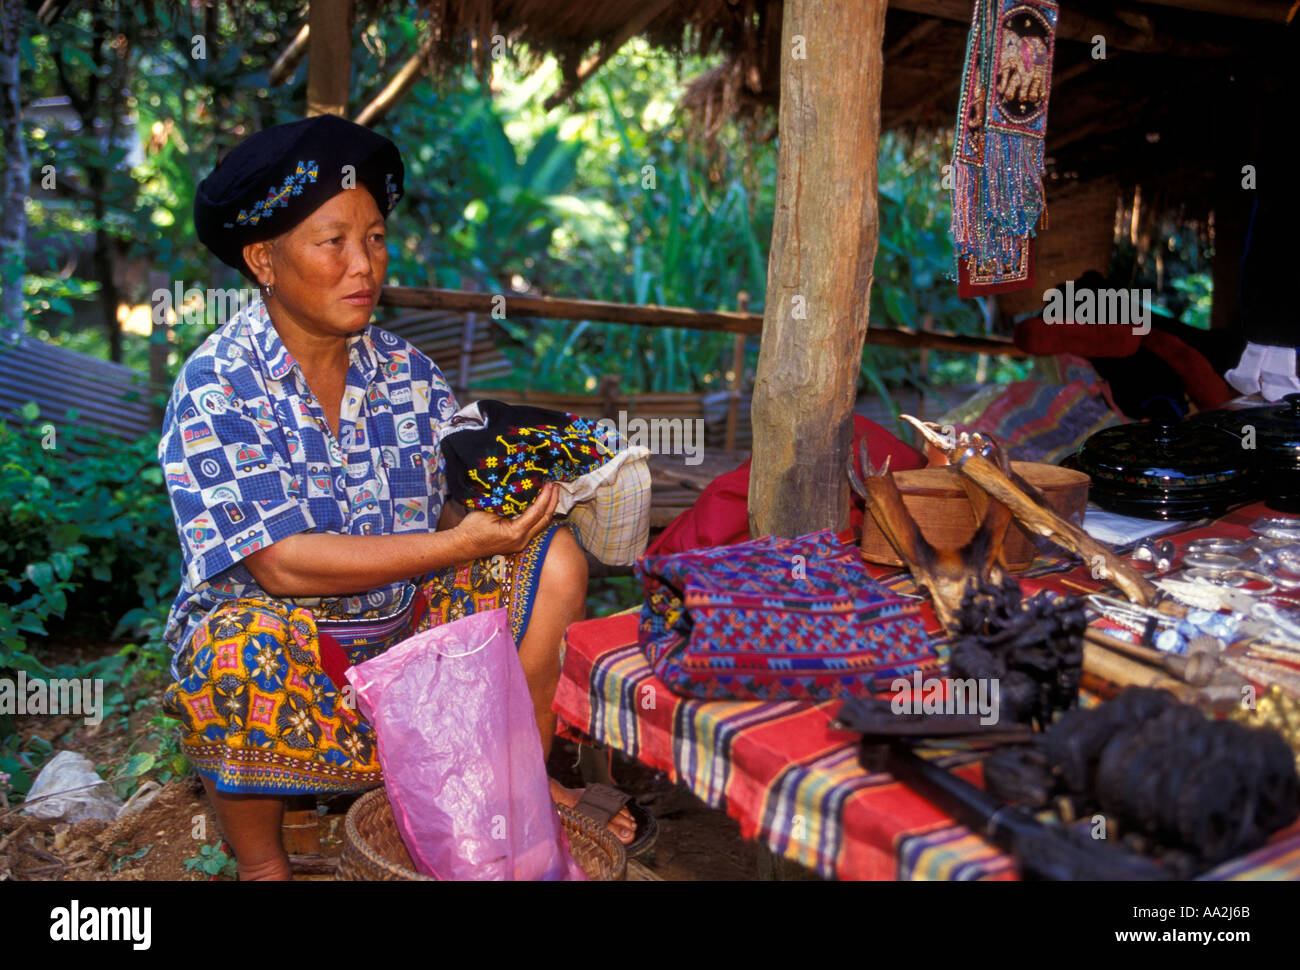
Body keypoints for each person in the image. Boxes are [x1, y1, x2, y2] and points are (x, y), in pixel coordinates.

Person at [159, 114, 634, 880]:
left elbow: (448, 512)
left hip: (407, 633)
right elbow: (281, 564)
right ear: (264, 261)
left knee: (553, 562)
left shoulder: (409, 373)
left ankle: (514, 791)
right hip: (292, 656)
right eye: (334, 242)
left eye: (375, 238)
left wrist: (517, 494)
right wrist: (460, 544)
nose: (364, 265)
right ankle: (262, 863)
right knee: (232, 650)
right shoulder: (218, 386)